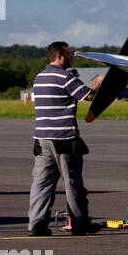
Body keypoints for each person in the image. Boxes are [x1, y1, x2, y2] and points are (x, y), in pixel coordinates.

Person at [26, 42, 103, 237]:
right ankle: (80, 224)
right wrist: (99, 83)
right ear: (60, 55)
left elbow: (59, 95)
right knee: (72, 182)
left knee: (41, 184)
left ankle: (37, 224)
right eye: (69, 53)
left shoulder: (40, 77)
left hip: (41, 138)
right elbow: (89, 96)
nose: (72, 56)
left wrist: (73, 79)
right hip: (64, 138)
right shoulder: (65, 77)